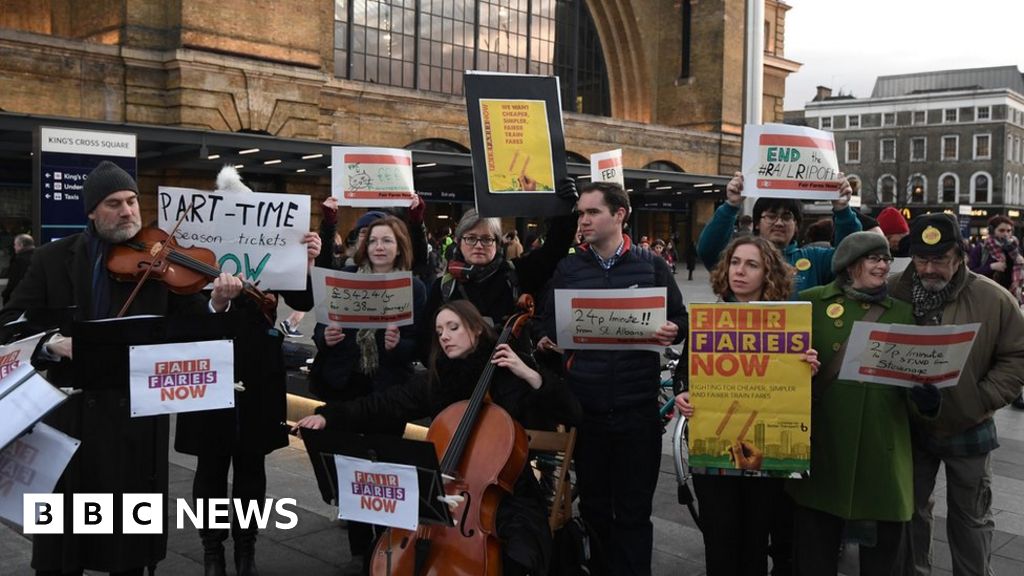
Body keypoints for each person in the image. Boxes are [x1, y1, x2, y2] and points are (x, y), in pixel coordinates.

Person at [0, 160, 244, 576]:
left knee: (129, 543)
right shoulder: (51, 258)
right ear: (92, 212)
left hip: (134, 422)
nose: (129, 211)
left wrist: (218, 301)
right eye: (114, 203)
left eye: (132, 201)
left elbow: (195, 324)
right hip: (67, 419)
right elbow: (10, 327)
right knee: (62, 546)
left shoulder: (163, 263)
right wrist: (52, 344)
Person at [296, 300, 581, 576]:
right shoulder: (437, 380)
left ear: (477, 329)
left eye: (453, 327)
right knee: (382, 553)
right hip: (441, 488)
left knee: (519, 557)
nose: (444, 336)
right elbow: (384, 404)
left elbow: (571, 412)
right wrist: (328, 416)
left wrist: (529, 374)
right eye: (439, 331)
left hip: (506, 495)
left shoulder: (508, 374)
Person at [173, 165, 319, 576]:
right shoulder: (195, 250)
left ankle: (246, 549)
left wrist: (304, 260)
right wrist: (217, 304)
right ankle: (212, 550)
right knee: (211, 464)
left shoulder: (270, 248)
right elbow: (182, 312)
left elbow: (300, 296)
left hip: (259, 367)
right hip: (207, 365)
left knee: (252, 464)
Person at [542, 181, 687, 576]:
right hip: (586, 412)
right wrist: (549, 335)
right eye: (581, 213)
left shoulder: (652, 265)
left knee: (635, 514)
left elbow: (682, 318)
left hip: (636, 412)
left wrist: (673, 329)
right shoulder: (570, 268)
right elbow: (547, 319)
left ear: (619, 214)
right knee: (594, 510)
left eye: (592, 212)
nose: (584, 220)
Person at [788, 232, 939, 575]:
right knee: (814, 553)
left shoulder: (901, 313)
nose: (884, 265)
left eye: (886, 259)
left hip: (881, 450)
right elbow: (782, 372)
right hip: (824, 446)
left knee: (884, 557)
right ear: (850, 265)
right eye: (874, 258)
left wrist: (927, 401)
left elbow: (913, 382)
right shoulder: (812, 304)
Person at [675, 235, 820, 576]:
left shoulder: (789, 323)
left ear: (768, 273)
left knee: (756, 540)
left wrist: (807, 369)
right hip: (715, 446)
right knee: (719, 539)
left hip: (764, 450)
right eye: (735, 262)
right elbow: (686, 370)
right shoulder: (709, 320)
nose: (739, 271)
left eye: (751, 264)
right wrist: (683, 393)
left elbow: (794, 389)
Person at [890, 213, 1024, 576]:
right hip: (911, 426)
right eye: (921, 260)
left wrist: (979, 399)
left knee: (972, 520)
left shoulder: (993, 299)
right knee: (910, 514)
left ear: (960, 256)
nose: (929, 269)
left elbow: (1016, 356)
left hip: (970, 425)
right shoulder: (893, 293)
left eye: (940, 260)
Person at [306, 215, 427, 574]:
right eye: (373, 240)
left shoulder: (414, 288)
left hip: (387, 391)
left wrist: (398, 346)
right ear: (364, 246)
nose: (379, 247)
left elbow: (420, 344)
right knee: (352, 471)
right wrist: (324, 340)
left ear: (399, 246)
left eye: (387, 241)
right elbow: (321, 329)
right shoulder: (344, 281)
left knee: (384, 472)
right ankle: (360, 549)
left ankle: (386, 545)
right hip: (346, 386)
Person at [419, 179, 578, 358]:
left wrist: (565, 210)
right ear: (458, 242)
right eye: (471, 238)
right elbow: (426, 343)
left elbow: (553, 251)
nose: (479, 245)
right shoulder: (444, 286)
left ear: (498, 243)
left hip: (511, 375)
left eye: (487, 239)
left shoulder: (515, 274)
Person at [698, 172, 860, 294]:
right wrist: (731, 205)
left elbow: (852, 254)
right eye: (771, 216)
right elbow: (708, 251)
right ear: (756, 224)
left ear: (796, 226)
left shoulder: (816, 259)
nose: (779, 222)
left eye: (787, 216)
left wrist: (842, 210)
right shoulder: (740, 259)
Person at [2, 232, 34, 303]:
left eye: (15, 245)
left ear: (21, 245)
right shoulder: (39, 257)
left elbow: (14, 282)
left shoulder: (20, 260)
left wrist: (5, 295)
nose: (14, 247)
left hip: (21, 300)